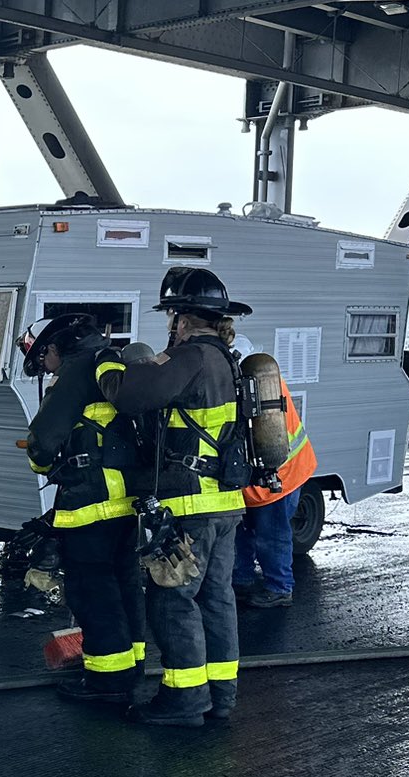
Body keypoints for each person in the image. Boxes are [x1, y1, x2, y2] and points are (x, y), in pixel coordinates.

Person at [99, 267, 249, 728]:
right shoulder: (228, 359)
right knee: (216, 600)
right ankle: (221, 694)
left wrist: (106, 361)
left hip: (190, 504)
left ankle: (183, 700)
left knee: (172, 600)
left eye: (172, 317)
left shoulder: (190, 357)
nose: (171, 325)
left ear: (182, 320)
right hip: (224, 503)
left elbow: (128, 395)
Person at [23, 314, 145, 706]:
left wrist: (41, 464)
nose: (44, 367)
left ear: (58, 349)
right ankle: (131, 665)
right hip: (127, 500)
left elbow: (43, 439)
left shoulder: (77, 371)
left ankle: (107, 680)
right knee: (124, 583)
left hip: (91, 503)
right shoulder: (111, 363)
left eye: (44, 358)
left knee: (93, 589)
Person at [233, 369, 317, 610]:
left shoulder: (249, 389)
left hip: (281, 476)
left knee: (271, 535)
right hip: (276, 473)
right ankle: (243, 579)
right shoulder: (264, 382)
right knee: (245, 529)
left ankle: (280, 588)